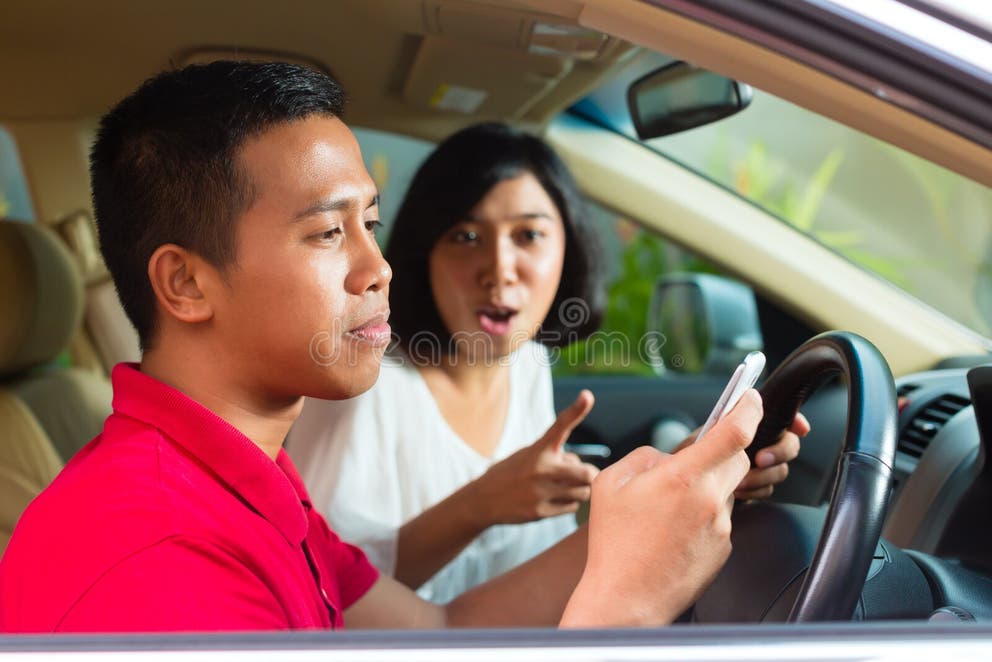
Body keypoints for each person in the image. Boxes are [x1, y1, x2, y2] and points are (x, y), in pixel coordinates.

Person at [0, 60, 766, 633]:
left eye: (370, 222)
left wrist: (664, 508)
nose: (380, 267)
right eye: (330, 232)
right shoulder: (160, 557)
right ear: (187, 286)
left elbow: (443, 630)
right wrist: (626, 608)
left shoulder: (251, 479)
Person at [287, 123, 806, 603]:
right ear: (425, 254)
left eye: (528, 235)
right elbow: (324, 593)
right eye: (466, 237)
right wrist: (480, 504)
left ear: (569, 248)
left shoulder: (527, 364)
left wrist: (681, 471)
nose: (499, 268)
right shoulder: (363, 386)